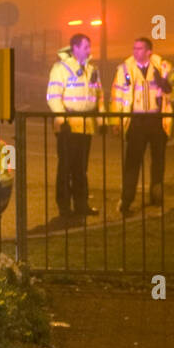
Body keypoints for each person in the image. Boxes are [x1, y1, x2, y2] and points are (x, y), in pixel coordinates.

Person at [112, 37, 174, 215]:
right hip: (136, 121)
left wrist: (167, 87)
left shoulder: (164, 67)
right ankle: (126, 200)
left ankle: (156, 197)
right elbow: (117, 96)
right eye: (134, 48)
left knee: (158, 162)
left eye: (140, 49)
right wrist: (116, 122)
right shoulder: (125, 68)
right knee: (132, 163)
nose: (135, 52)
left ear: (149, 52)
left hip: (157, 121)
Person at [46, 33, 103, 219]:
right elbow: (53, 95)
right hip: (68, 125)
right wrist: (61, 120)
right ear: (75, 48)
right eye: (86, 47)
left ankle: (81, 204)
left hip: (86, 125)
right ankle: (64, 207)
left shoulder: (92, 69)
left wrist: (101, 121)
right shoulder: (60, 69)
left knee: (81, 168)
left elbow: (98, 96)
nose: (89, 50)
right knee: (66, 168)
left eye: (89, 46)